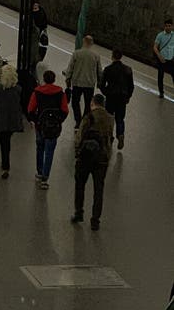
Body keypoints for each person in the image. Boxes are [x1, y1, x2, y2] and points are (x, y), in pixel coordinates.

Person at [71, 93, 114, 230]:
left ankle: (79, 212)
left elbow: (79, 137)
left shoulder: (89, 117)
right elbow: (109, 138)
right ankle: (95, 220)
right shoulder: (110, 119)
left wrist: (77, 153)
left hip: (86, 157)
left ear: (92, 103)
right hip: (102, 158)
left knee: (80, 185)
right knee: (98, 189)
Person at [27, 70, 69, 190]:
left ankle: (39, 172)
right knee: (49, 151)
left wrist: (35, 120)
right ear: (54, 79)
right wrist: (58, 120)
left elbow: (30, 109)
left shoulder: (37, 92)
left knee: (40, 148)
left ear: (44, 79)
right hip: (53, 127)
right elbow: (65, 110)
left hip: (40, 125)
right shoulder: (60, 93)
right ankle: (45, 179)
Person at [0, 64, 23, 179]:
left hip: (0, 120)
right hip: (12, 121)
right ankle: (5, 165)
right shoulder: (18, 89)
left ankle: (5, 165)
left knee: (3, 142)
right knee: (6, 142)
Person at [65, 35, 102, 128]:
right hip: (89, 84)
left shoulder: (76, 54)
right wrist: (99, 82)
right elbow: (99, 71)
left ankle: (78, 120)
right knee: (88, 103)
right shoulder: (96, 56)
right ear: (92, 43)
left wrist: (68, 78)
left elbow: (70, 68)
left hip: (77, 82)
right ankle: (84, 121)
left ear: (83, 42)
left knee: (75, 102)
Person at [100, 49, 134, 150]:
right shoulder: (128, 69)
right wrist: (128, 96)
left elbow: (102, 85)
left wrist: (107, 93)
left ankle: (108, 137)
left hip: (111, 97)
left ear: (112, 56)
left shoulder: (108, 69)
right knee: (120, 119)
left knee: (109, 118)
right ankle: (120, 134)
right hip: (122, 98)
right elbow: (131, 86)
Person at [153, 19, 174, 98]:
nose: (168, 27)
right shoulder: (160, 35)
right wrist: (159, 56)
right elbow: (155, 47)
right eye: (166, 26)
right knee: (160, 76)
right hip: (162, 59)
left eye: (169, 26)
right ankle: (161, 92)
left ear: (172, 26)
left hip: (171, 60)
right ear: (164, 26)